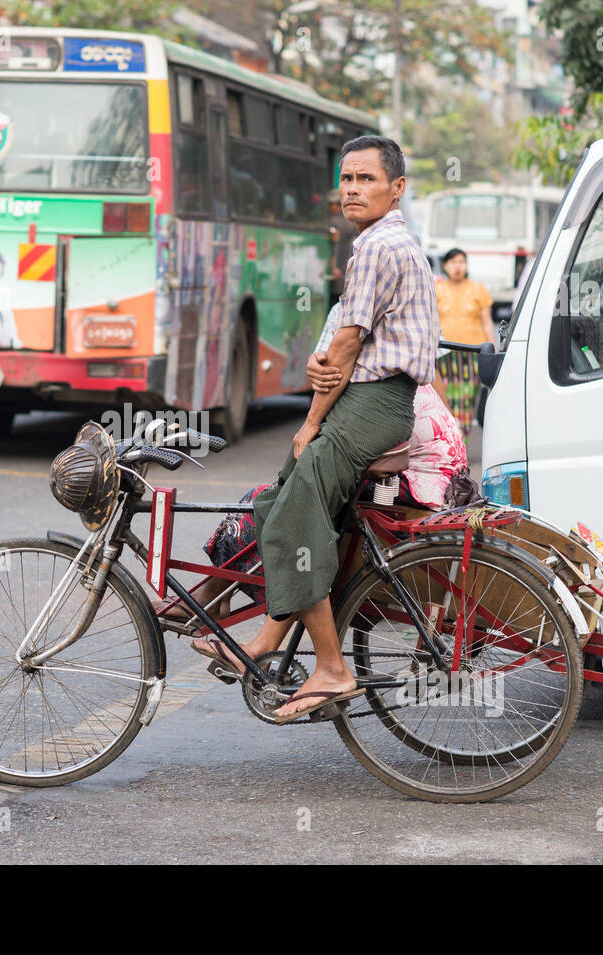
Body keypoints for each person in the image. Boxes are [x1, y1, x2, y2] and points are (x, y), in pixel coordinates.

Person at [196, 135, 438, 723]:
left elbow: (348, 344)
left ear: (397, 188)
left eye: (366, 179)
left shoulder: (379, 246)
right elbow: (345, 346)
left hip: (376, 404)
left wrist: (308, 424)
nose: (351, 189)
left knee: (296, 517)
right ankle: (267, 639)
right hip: (368, 399)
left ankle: (331, 668)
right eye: (346, 179)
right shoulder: (381, 243)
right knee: (279, 504)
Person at [176, 375, 472, 646]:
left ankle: (232, 607)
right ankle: (213, 596)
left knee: (278, 509)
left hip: (416, 486)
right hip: (434, 481)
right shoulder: (392, 377)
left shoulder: (368, 388)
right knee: (278, 500)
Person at [432, 248, 494, 442]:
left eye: (461, 262)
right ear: (445, 266)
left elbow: (487, 321)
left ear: (466, 265)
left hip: (472, 351)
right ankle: (451, 439)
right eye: (452, 262)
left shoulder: (478, 290)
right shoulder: (436, 290)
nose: (457, 266)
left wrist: (491, 345)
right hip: (445, 352)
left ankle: (462, 441)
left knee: (467, 397)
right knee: (447, 396)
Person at [327, 188, 358, 310]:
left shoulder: (333, 222)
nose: (329, 207)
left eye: (331, 204)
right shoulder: (354, 223)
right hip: (348, 277)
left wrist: (334, 267)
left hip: (335, 275)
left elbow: (335, 247)